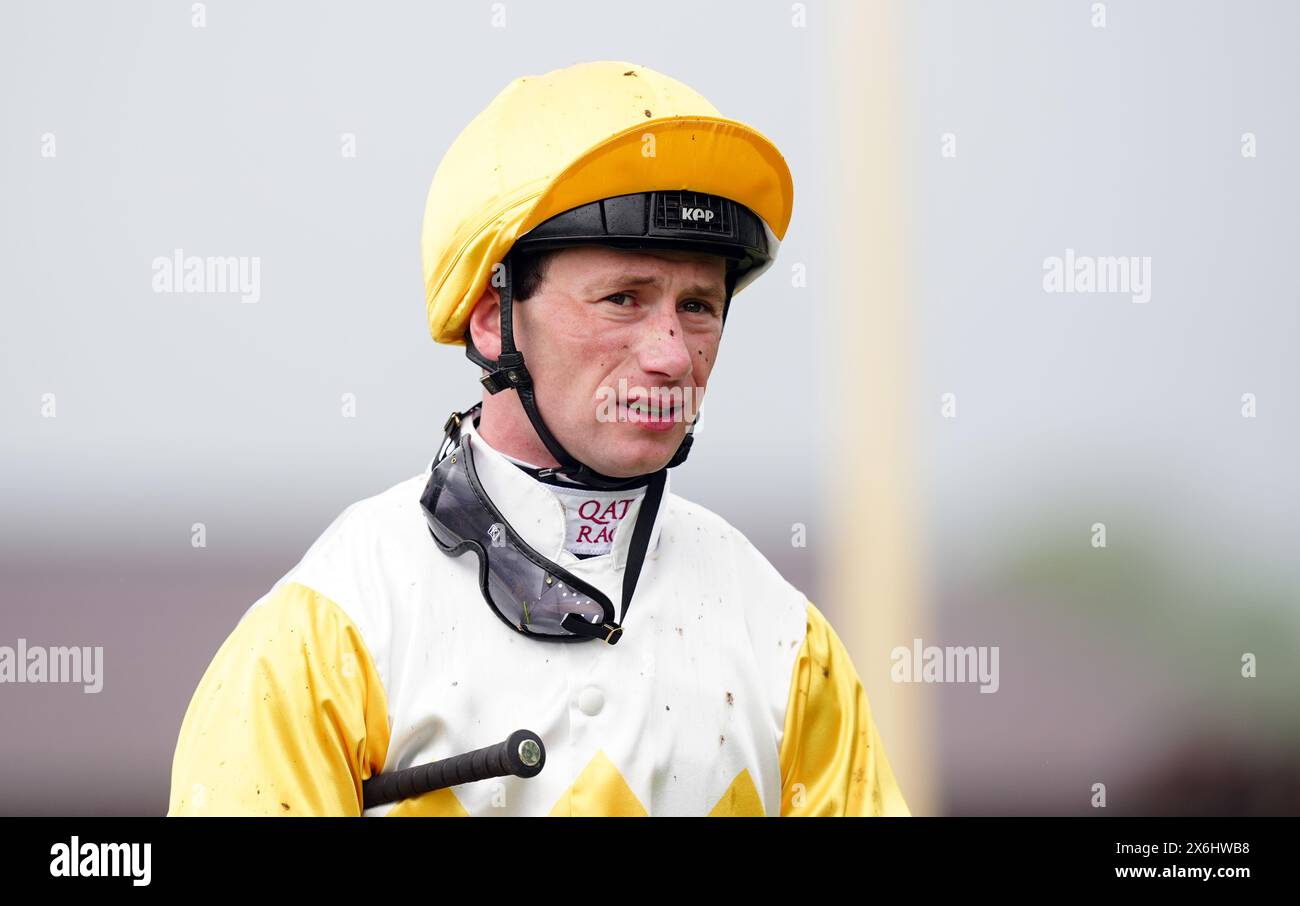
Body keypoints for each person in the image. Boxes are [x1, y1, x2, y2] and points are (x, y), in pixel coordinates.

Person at [166, 60, 910, 817]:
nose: (673, 354)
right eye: (624, 299)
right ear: (493, 317)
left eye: (699, 306)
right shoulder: (330, 629)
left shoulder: (789, 646)